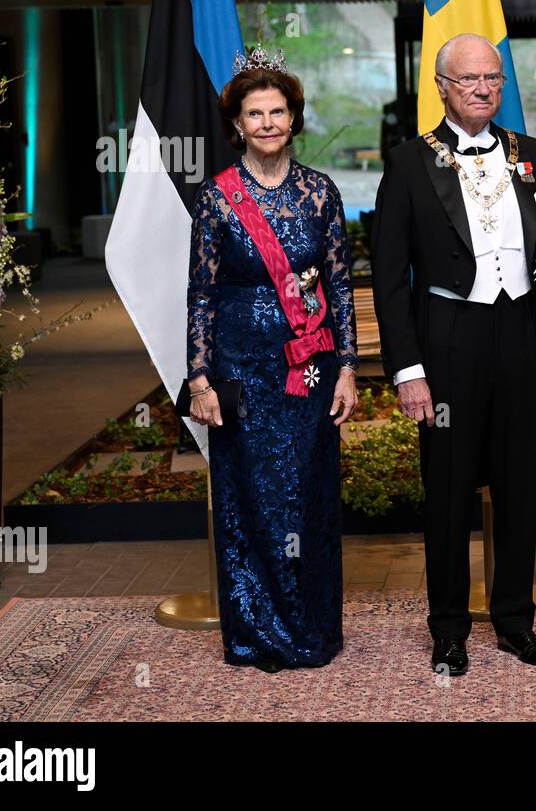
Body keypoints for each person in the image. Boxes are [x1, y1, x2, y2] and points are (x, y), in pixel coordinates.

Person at [371, 33, 536, 675]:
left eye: (492, 78)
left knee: (520, 487)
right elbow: (386, 274)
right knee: (450, 491)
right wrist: (407, 369)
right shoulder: (408, 162)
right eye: (468, 80)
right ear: (441, 86)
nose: (484, 88)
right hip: (448, 337)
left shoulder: (534, 155)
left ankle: (514, 621)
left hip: (520, 332)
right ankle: (449, 629)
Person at [186, 45, 358, 672]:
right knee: (249, 500)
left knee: (307, 497)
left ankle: (311, 628)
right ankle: (255, 633)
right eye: (255, 114)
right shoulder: (217, 199)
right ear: (237, 124)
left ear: (294, 119)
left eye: (277, 112)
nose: (267, 123)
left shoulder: (320, 194)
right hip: (239, 372)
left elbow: (339, 285)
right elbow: (200, 291)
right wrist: (199, 377)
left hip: (306, 370)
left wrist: (348, 368)